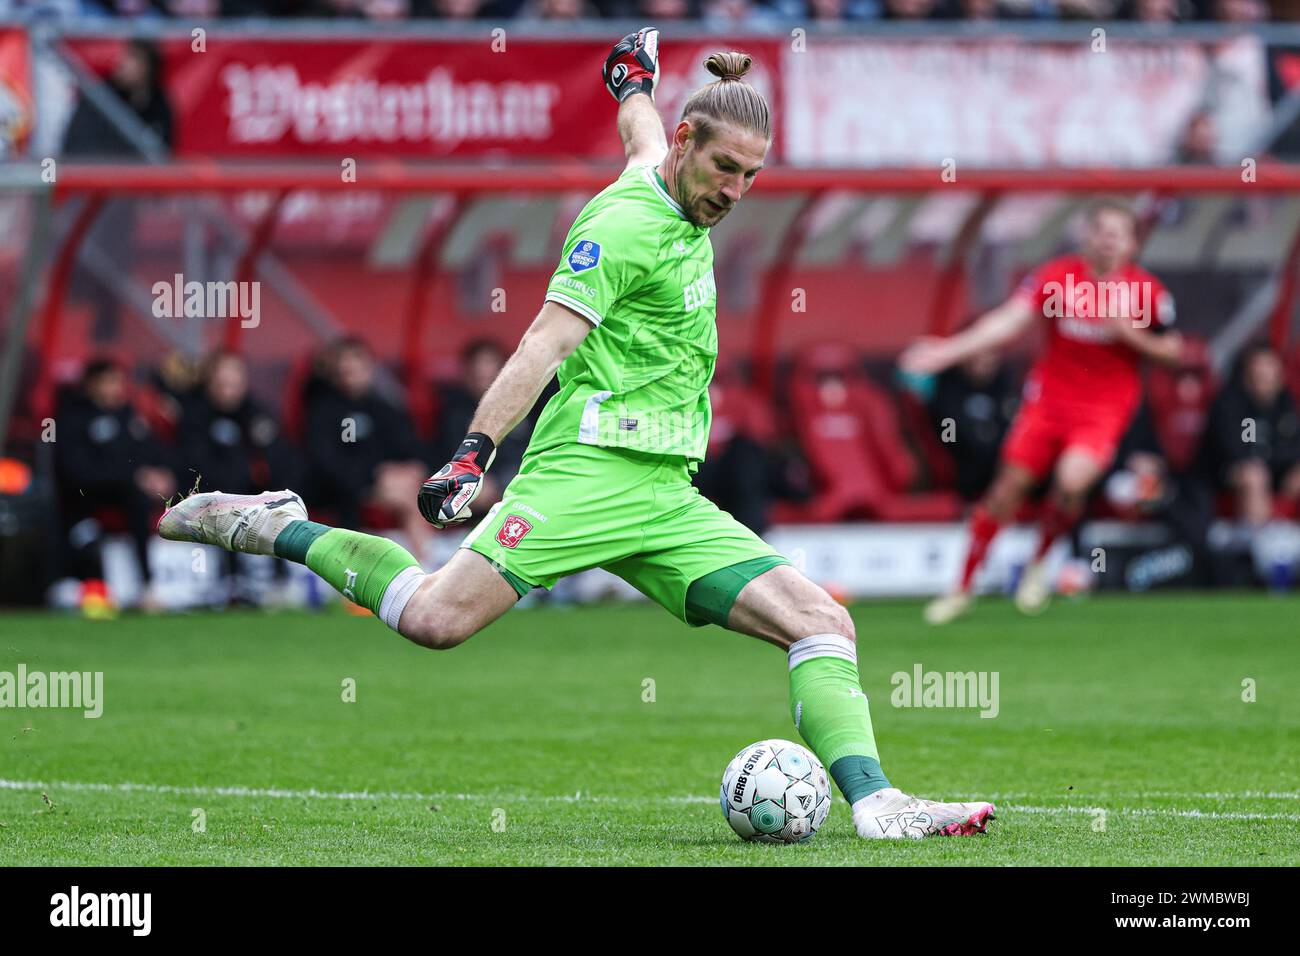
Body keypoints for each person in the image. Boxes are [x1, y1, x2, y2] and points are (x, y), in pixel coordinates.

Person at [160, 31, 994, 841]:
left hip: (664, 492)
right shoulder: (622, 228)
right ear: (688, 142)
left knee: (823, 622)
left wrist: (631, 79)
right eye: (724, 169)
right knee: (435, 619)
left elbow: (638, 129)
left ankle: (878, 805)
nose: (735, 192)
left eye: (750, 176)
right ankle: (277, 523)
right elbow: (543, 343)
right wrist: (475, 450)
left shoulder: (662, 166)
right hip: (585, 473)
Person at [900, 201, 1185, 623]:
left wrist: (1131, 334)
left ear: (1131, 243)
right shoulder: (1057, 277)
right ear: (1087, 235)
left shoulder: (1147, 293)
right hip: (1047, 402)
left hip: (1103, 410)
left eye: (1116, 234)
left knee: (1072, 482)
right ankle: (961, 587)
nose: (1107, 241)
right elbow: (1009, 321)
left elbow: (1174, 352)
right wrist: (945, 353)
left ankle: (1039, 563)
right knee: (1006, 490)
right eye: (1100, 231)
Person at [54, 358, 176, 614]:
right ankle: (86, 588)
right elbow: (76, 471)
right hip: (84, 498)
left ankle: (147, 586)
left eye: (118, 381)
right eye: (109, 381)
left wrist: (160, 473)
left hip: (126, 496)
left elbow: (152, 451)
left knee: (140, 501)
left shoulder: (128, 417)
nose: (116, 388)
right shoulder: (73, 419)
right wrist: (132, 476)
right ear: (91, 385)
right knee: (89, 529)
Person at [302, 338, 433, 564]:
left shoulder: (381, 407)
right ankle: (425, 564)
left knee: (413, 487)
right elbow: (326, 461)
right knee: (409, 496)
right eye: (346, 370)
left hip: (384, 486)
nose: (351, 374)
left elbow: (408, 446)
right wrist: (374, 475)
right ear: (336, 372)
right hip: (337, 489)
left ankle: (424, 563)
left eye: (357, 368)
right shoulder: (323, 410)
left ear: (370, 369)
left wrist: (411, 467)